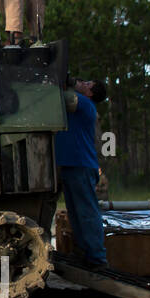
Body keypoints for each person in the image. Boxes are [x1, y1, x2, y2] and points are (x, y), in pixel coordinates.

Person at [55, 78, 110, 268]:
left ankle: (97, 257)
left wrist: (61, 79)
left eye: (87, 83)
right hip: (71, 165)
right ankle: (84, 252)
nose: (83, 82)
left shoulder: (85, 104)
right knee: (76, 213)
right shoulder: (80, 103)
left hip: (81, 165)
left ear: (91, 93)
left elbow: (60, 96)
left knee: (86, 212)